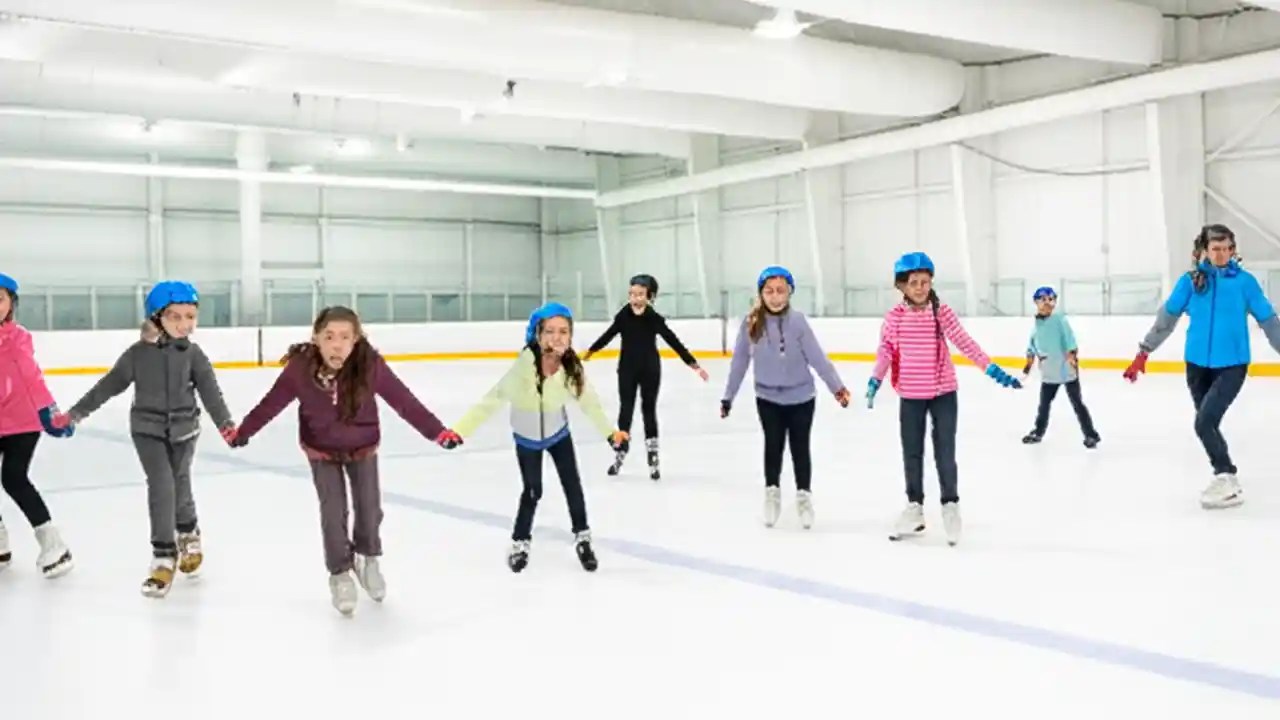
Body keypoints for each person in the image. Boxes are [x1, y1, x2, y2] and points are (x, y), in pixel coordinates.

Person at [228, 306, 461, 616]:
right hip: (321, 449)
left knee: (369, 507)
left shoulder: (369, 365)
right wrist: (244, 432)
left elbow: (404, 401)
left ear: (356, 340)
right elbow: (271, 403)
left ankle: (367, 558)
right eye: (329, 337)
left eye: (345, 337)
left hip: (362, 446)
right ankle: (340, 573)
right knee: (333, 510)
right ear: (316, 339)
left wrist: (437, 432)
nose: (337, 345)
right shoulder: (300, 369)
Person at [55, 281, 236, 597]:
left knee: (180, 482)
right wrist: (76, 413)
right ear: (156, 318)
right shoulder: (137, 356)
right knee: (162, 483)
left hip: (184, 430)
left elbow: (211, 392)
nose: (184, 325)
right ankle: (163, 553)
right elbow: (107, 386)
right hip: (147, 431)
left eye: (190, 317)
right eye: (176, 317)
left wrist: (226, 424)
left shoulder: (194, 355)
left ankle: (188, 530)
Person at [451, 302, 628, 573]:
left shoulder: (572, 367)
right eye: (550, 331)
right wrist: (461, 431)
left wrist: (610, 433)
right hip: (527, 439)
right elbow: (493, 399)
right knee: (533, 491)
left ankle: (583, 538)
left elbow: (589, 402)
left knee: (573, 486)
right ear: (537, 334)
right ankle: (520, 541)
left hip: (558, 433)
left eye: (564, 331)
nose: (557, 337)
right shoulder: (524, 367)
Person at [866, 252, 1021, 546]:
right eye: (914, 283)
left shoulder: (941, 313)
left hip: (943, 393)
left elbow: (965, 342)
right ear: (901, 286)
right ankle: (915, 508)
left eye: (925, 282)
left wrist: (992, 370)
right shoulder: (895, 318)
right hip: (910, 395)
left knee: (944, 452)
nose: (921, 288)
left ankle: (950, 506)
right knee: (912, 453)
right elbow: (885, 350)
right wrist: (876, 378)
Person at [1123, 224, 1280, 509]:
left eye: (1226, 249)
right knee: (1207, 423)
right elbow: (1166, 320)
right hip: (1196, 365)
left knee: (1204, 421)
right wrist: (1143, 352)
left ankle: (1226, 475)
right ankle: (1223, 470)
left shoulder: (1245, 283)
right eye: (1215, 249)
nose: (1221, 254)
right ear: (1204, 251)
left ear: (1233, 250)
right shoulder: (1190, 282)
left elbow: (1269, 321)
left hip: (1232, 364)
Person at [721, 266, 850, 530]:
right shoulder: (751, 324)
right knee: (773, 445)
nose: (775, 296)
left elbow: (817, 357)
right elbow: (739, 363)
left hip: (802, 396)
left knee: (800, 447)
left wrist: (836, 387)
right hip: (767, 397)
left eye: (781, 291)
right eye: (769, 291)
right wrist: (728, 397)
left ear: (790, 292)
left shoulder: (798, 322)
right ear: (761, 293)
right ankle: (772, 493)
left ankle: (804, 496)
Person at [583, 273, 708, 480]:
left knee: (648, 410)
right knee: (626, 409)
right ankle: (620, 452)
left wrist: (692, 363)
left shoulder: (653, 319)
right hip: (627, 370)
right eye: (632, 294)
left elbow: (673, 341)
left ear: (650, 296)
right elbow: (609, 334)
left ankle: (653, 456)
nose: (635, 298)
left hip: (650, 369)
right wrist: (592, 350)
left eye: (640, 294)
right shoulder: (623, 316)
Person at [0, 272, 75, 578]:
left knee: (14, 478)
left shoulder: (18, 339)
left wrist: (50, 411)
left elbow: (32, 379)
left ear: (10, 304)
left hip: (22, 421)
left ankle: (53, 544)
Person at [1020, 286, 1100, 448]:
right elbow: (1032, 343)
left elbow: (1069, 338)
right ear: (1036, 302)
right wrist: (1029, 361)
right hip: (1049, 371)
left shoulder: (1059, 320)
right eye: (1043, 300)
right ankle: (1038, 431)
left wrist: (1072, 354)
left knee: (1077, 403)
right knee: (1044, 405)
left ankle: (1091, 434)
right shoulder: (1037, 324)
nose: (1047, 303)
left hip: (1066, 369)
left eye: (1051, 299)